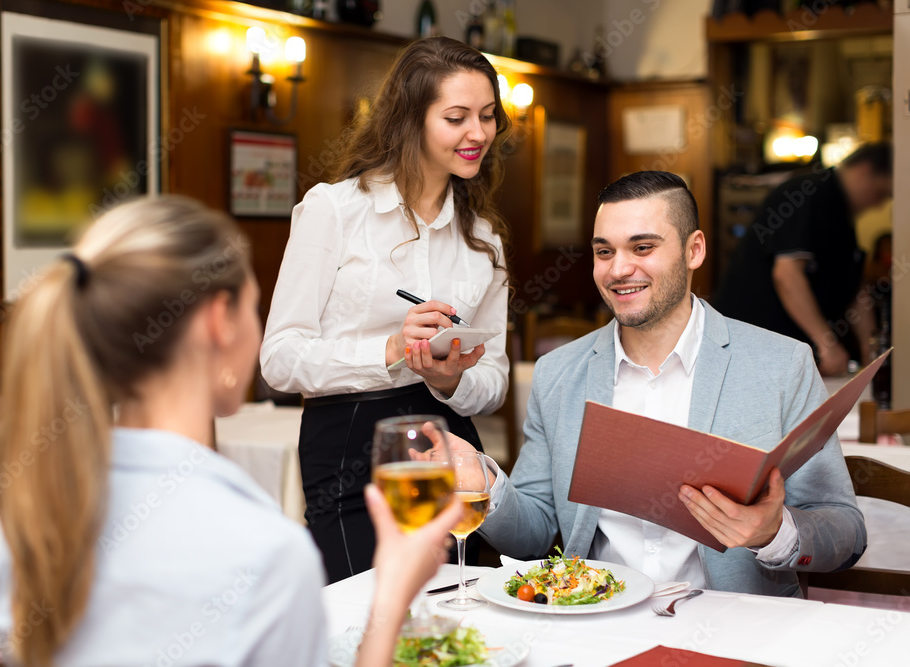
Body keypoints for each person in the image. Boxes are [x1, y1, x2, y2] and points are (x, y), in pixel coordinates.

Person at [0, 196, 462, 666]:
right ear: (220, 321)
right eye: (255, 308)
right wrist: (393, 588)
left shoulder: (38, 524)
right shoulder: (265, 552)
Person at [461, 171, 866, 597]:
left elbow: (846, 532)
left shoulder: (782, 364)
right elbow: (534, 534)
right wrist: (485, 485)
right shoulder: (558, 372)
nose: (619, 269)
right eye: (604, 251)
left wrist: (775, 532)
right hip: (599, 627)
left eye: (642, 247)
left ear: (694, 250)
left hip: (733, 633)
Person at [260, 36, 511, 583]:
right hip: (347, 439)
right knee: (363, 615)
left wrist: (450, 382)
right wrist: (392, 351)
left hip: (448, 438)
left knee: (454, 612)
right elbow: (279, 359)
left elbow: (494, 380)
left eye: (488, 116)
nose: (479, 133)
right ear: (410, 120)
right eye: (457, 117)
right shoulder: (334, 211)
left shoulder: (483, 239)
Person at [713, 143, 893, 376]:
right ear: (865, 171)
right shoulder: (808, 192)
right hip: (750, 348)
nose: (878, 205)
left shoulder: (843, 217)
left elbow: (854, 291)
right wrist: (827, 344)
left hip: (786, 357)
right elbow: (787, 274)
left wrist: (873, 356)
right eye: (881, 194)